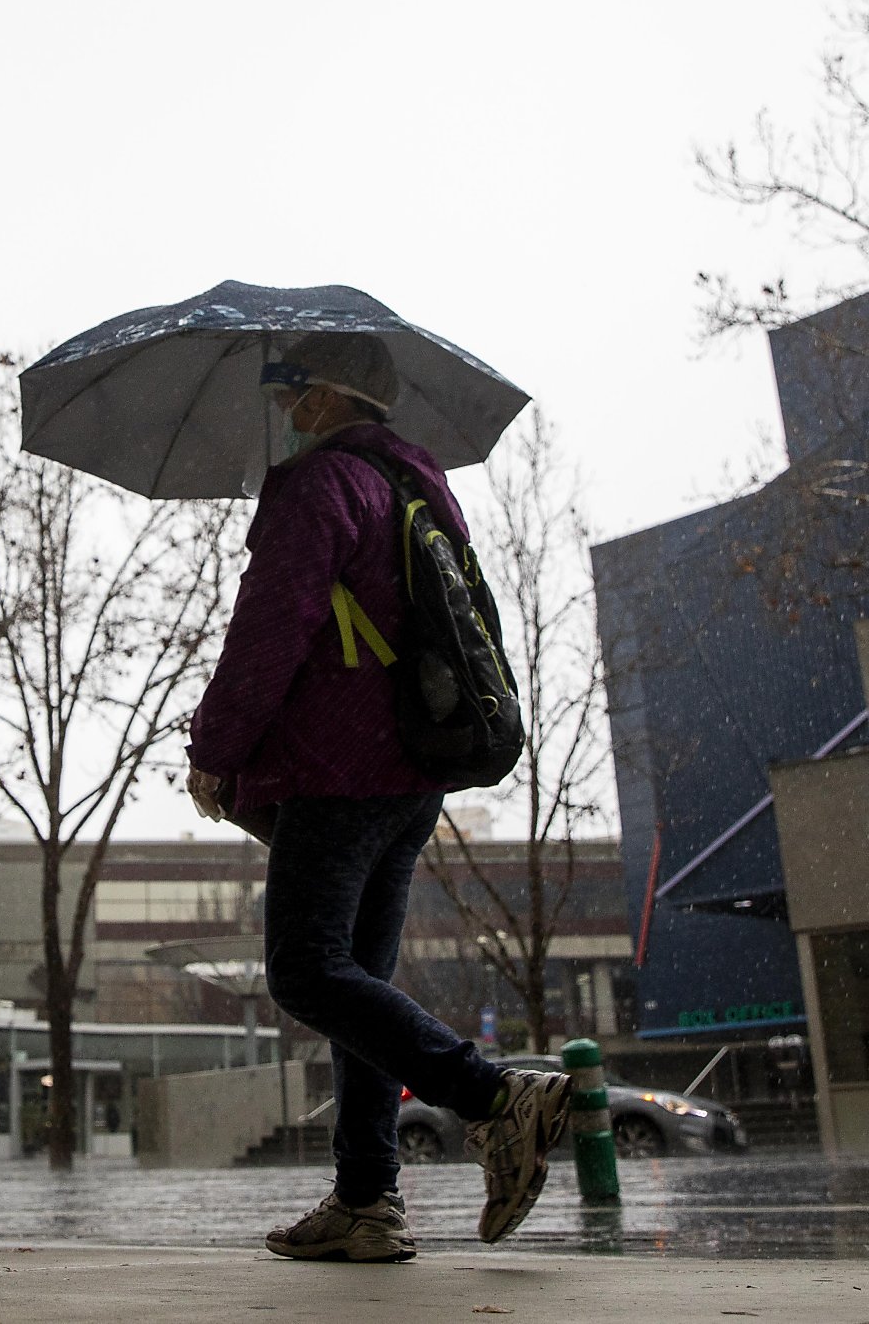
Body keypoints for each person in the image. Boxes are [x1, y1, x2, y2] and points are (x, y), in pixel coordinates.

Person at [186, 331, 572, 1264]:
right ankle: (366, 1198)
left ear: (328, 397)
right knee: (357, 985)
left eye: (292, 394)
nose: (284, 412)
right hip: (413, 775)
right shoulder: (422, 490)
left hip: (336, 767)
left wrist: (215, 749)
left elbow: (271, 629)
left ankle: (491, 1098)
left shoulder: (322, 487)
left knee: (306, 970)